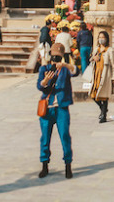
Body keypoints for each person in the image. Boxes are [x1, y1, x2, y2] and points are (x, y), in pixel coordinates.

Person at [37, 42, 78, 180]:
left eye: (58, 57)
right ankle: (44, 164)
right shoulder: (44, 68)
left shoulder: (65, 69)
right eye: (54, 57)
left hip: (61, 107)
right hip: (47, 109)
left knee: (65, 135)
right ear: (50, 56)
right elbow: (39, 86)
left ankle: (68, 165)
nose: (55, 60)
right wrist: (45, 81)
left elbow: (76, 71)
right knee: (45, 138)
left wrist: (65, 64)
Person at [89, 31, 114, 123]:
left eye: (103, 37)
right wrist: (94, 58)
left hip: (105, 76)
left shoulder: (110, 50)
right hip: (96, 75)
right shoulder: (96, 49)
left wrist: (113, 77)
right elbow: (91, 59)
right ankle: (103, 109)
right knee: (93, 95)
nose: (101, 39)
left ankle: (103, 116)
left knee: (104, 97)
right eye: (100, 37)